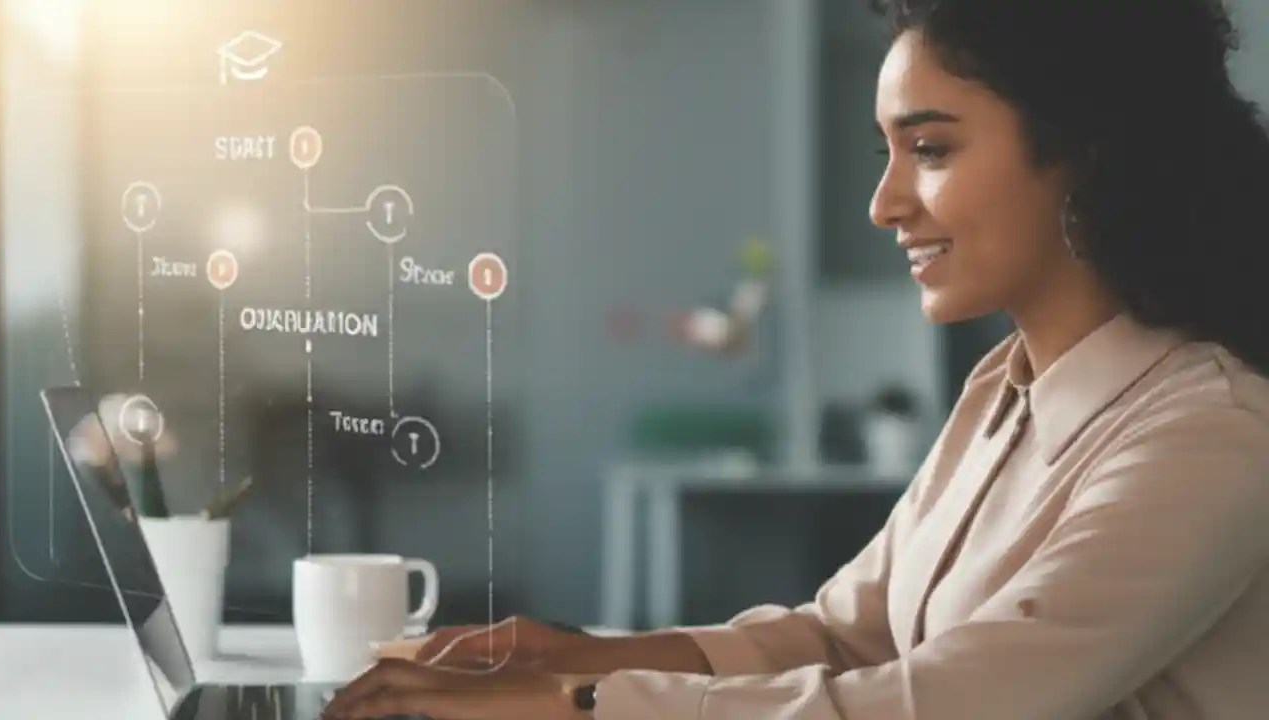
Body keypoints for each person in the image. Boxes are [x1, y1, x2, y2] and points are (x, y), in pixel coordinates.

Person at [322, 0, 1269, 717]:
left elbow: (944, 704)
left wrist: (577, 707)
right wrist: (565, 656)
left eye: (930, 148)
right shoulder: (1005, 391)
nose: (884, 202)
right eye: (886, 152)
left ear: (1089, 157)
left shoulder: (1211, 437)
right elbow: (844, 634)